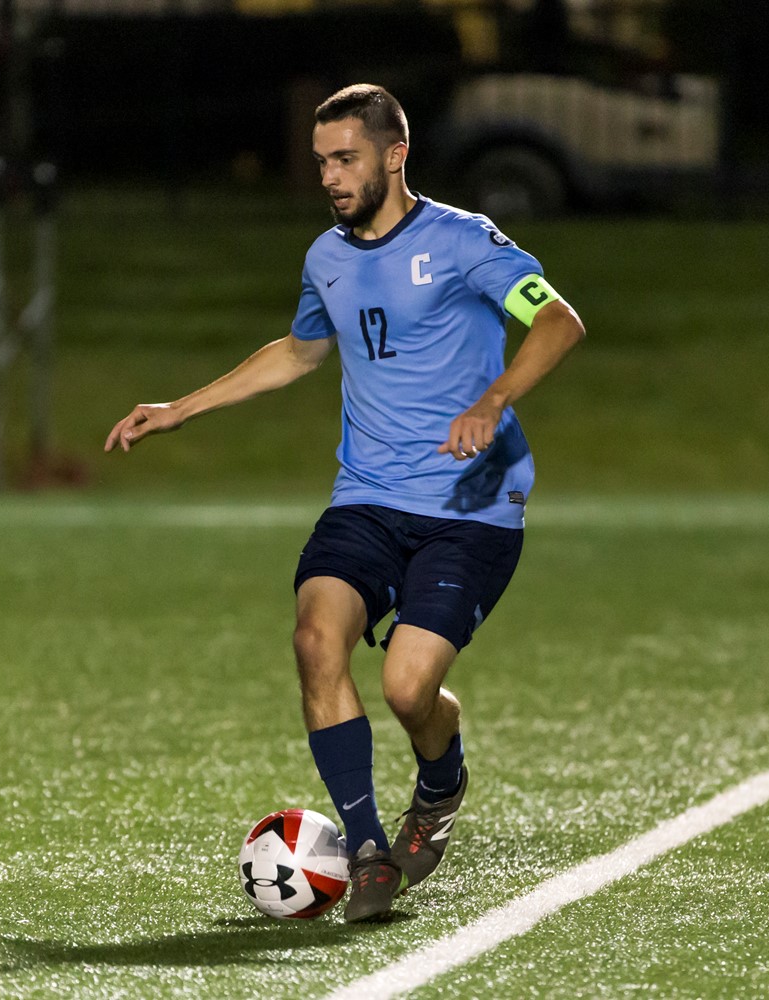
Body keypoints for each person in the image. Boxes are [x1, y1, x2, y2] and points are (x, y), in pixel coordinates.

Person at [105, 84, 585, 922]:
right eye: (321, 160)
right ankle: (366, 854)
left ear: (395, 155)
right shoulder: (325, 257)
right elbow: (300, 351)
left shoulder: (464, 240)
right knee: (314, 638)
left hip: (470, 508)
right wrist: (182, 407)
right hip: (366, 496)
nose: (329, 176)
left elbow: (559, 323)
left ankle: (439, 786)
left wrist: (494, 400)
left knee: (407, 690)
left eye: (345, 158)